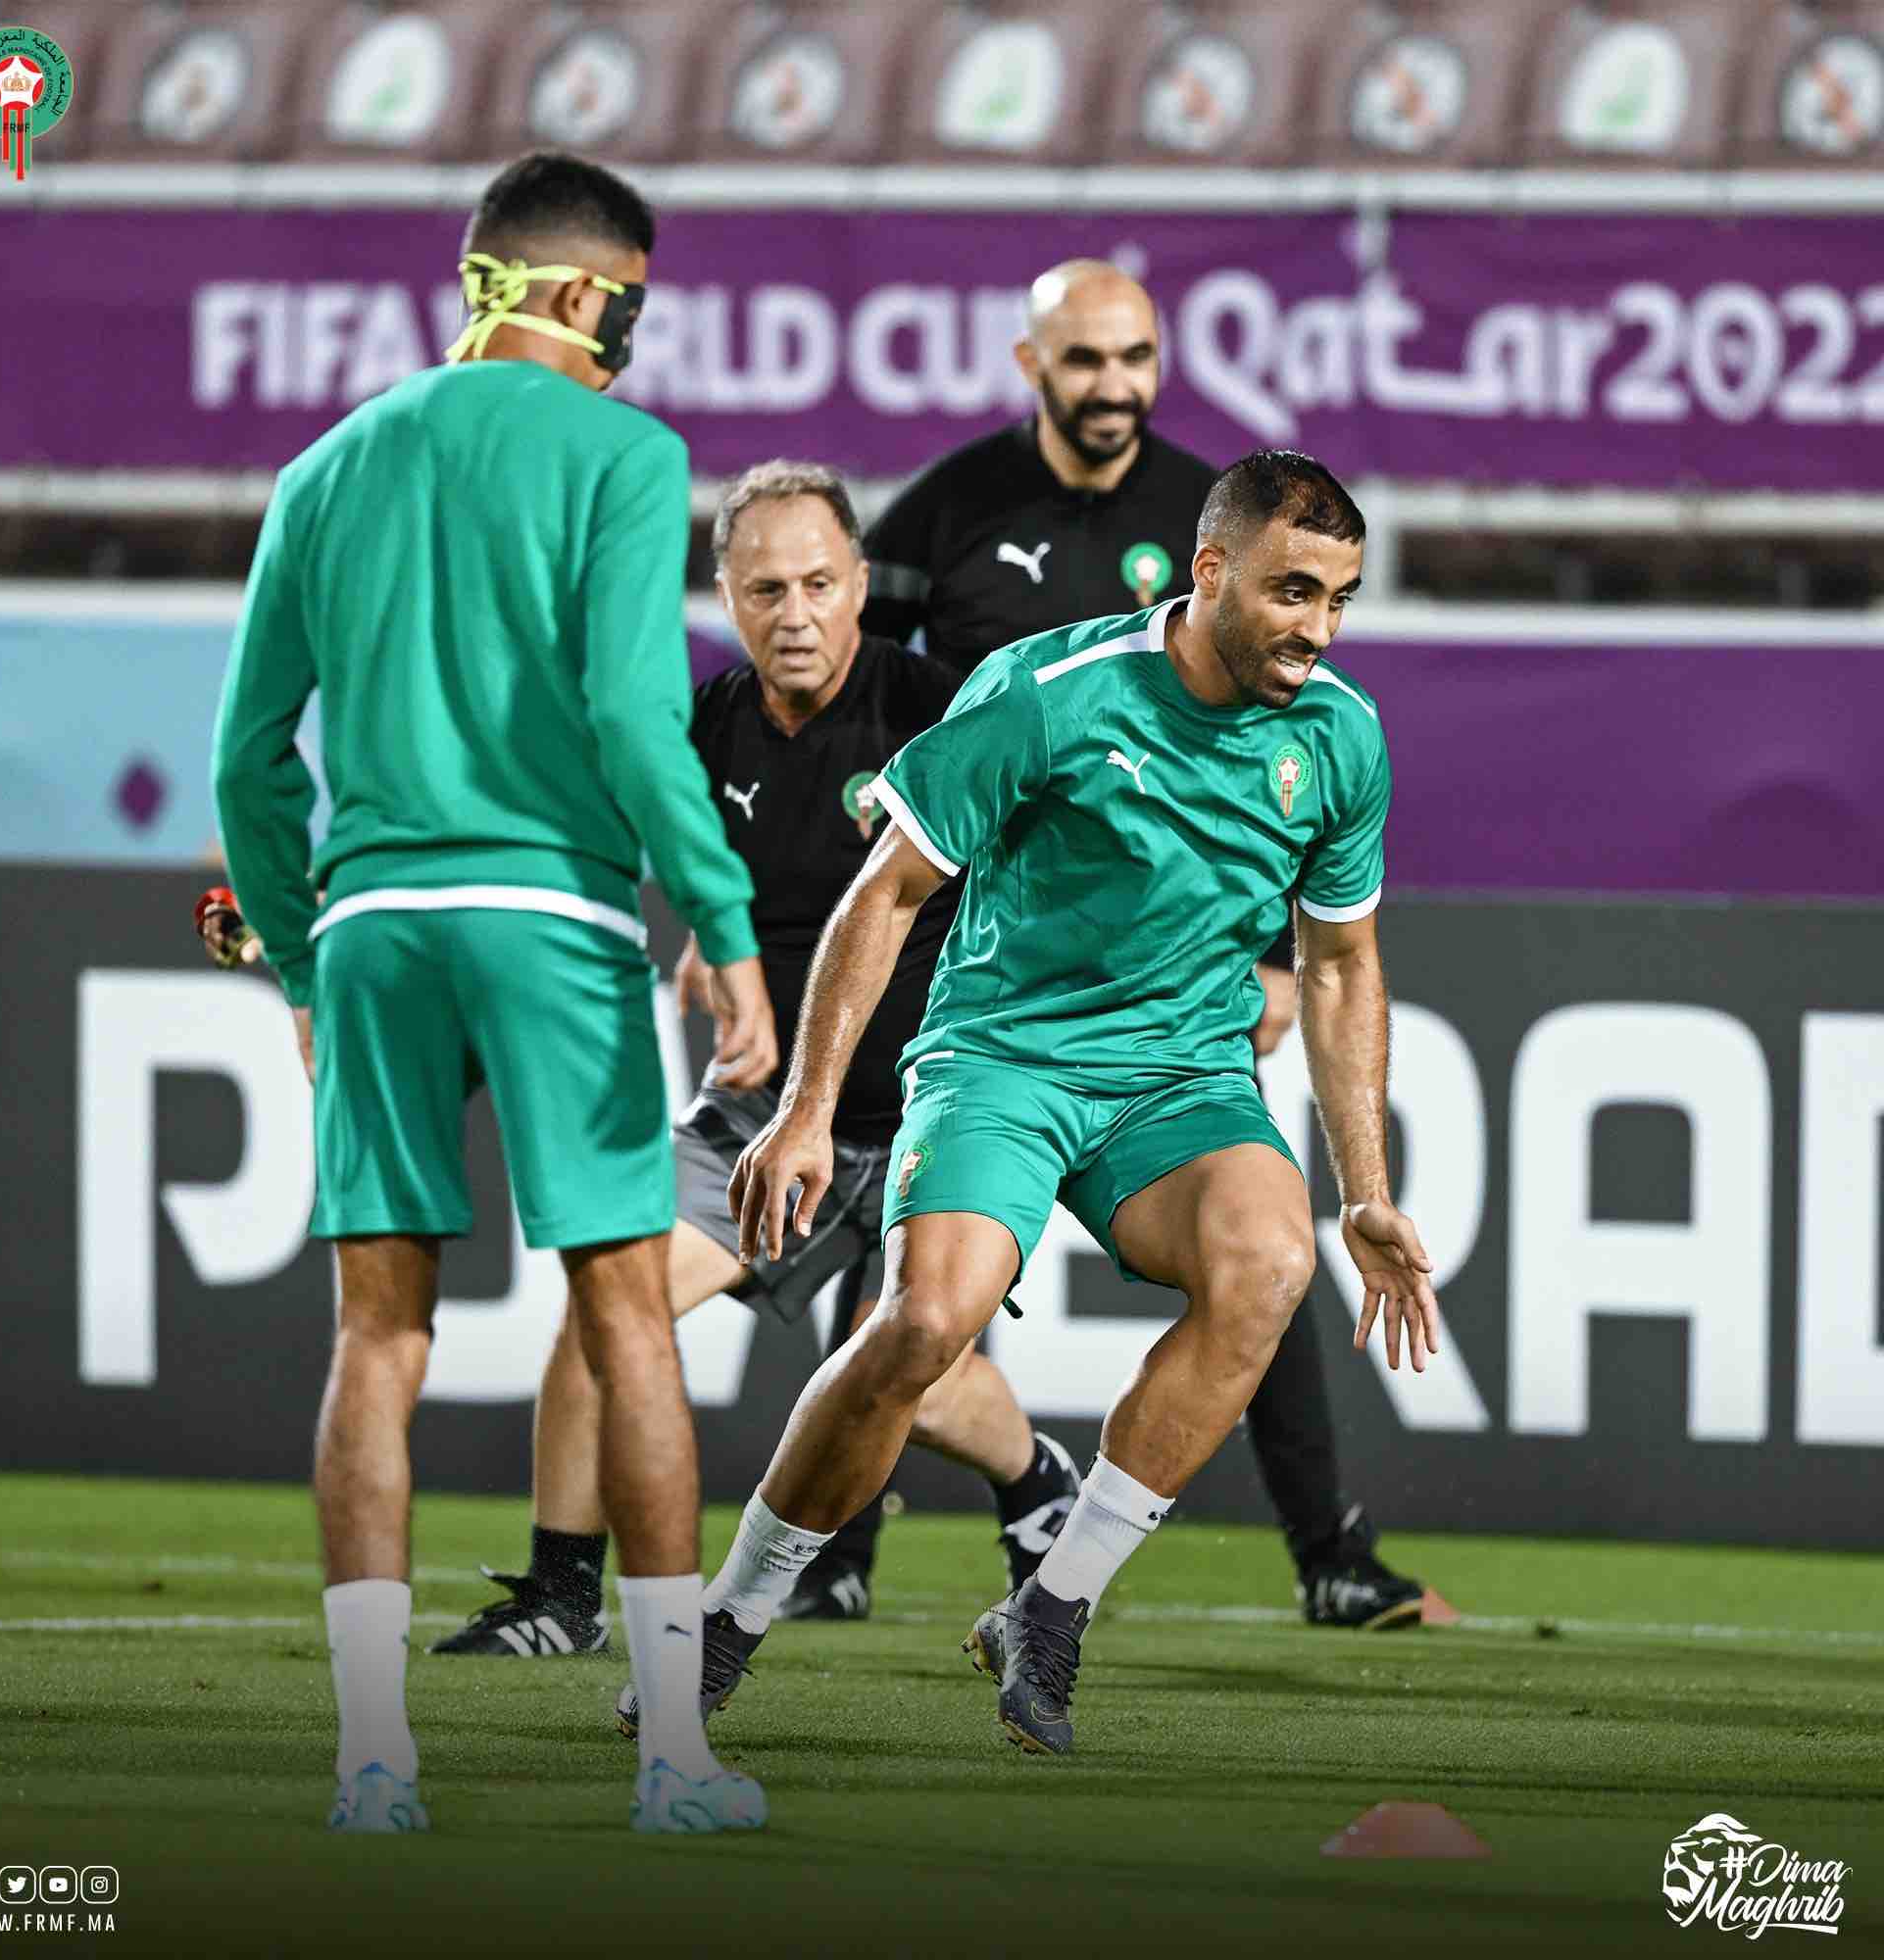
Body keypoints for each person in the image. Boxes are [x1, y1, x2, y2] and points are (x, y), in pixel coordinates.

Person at [635, 450, 1441, 1759]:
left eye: (1341, 600)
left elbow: (1343, 963)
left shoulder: (1341, 737)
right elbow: (884, 895)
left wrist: (1368, 1191)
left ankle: (1050, 1608)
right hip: (1002, 1056)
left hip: (1181, 1078)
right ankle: (728, 1620)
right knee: (924, 1326)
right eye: (1294, 592)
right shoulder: (1048, 692)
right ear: (1213, 570)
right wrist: (802, 1108)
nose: (1319, 630)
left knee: (1270, 1261)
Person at [210, 150, 775, 1837]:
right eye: (635, 308)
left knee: (376, 1336)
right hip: (552, 918)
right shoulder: (623, 454)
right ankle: (674, 1759)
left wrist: (305, 960)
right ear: (588, 295)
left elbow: (250, 765)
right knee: (621, 1322)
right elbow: (627, 717)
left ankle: (370, 1765)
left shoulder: (327, 465)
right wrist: (728, 926)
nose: (636, 343)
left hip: (378, 917)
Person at [429, 461, 1082, 1656]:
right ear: (724, 595)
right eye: (766, 587)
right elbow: (566, 848)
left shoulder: (941, 712)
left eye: (820, 583)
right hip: (759, 1116)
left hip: (926, 1116)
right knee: (605, 1302)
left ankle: (1034, 1475)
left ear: (857, 586)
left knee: (903, 1368)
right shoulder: (695, 729)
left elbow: (1072, 859)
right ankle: (561, 1595)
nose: (796, 613)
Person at [863, 259, 1427, 1631]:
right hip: (957, 923)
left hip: (1173, 974)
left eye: (1135, 358)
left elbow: (1290, 855)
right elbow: (864, 702)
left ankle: (1325, 1549)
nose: (1113, 383)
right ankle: (833, 1551)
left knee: (1264, 1252)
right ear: (1031, 364)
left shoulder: (1215, 509)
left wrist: (1282, 963)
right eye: (1085, 359)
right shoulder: (941, 511)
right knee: (916, 1291)